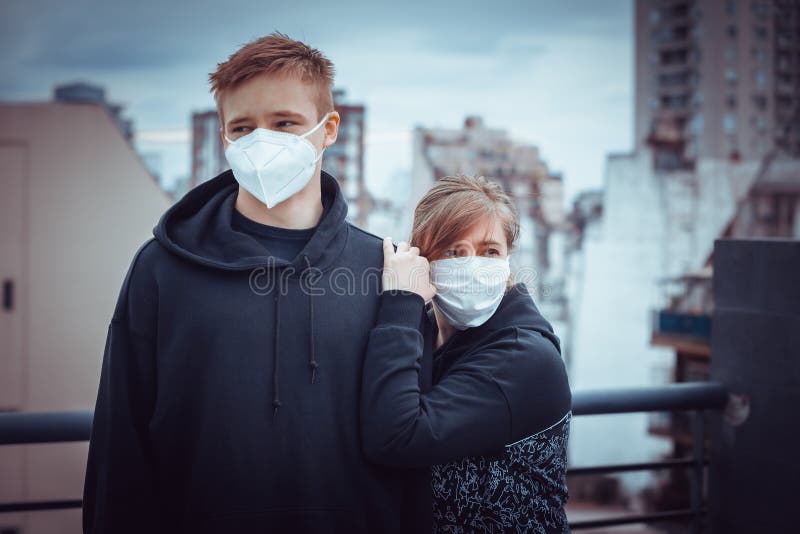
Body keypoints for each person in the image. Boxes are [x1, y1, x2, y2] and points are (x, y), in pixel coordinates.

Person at [83, 32, 431, 533]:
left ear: (329, 128)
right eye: (242, 128)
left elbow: (414, 448)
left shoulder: (387, 270)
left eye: (284, 123)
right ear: (223, 138)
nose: (260, 141)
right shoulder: (160, 268)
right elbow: (121, 446)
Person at [361, 174, 572, 533]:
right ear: (422, 260)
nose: (473, 265)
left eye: (490, 251)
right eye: (453, 251)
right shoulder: (439, 338)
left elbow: (397, 438)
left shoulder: (522, 357)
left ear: (508, 259)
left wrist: (400, 302)